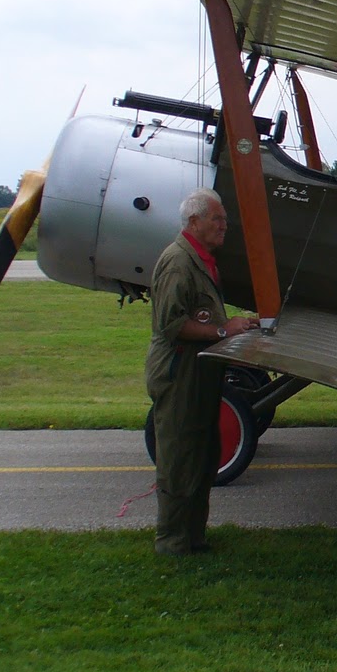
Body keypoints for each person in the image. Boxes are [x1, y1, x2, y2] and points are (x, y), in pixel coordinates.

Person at [145, 187, 258, 555]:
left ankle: (194, 537)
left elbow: (204, 315)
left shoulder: (201, 259)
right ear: (194, 222)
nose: (225, 225)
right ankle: (172, 542)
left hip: (200, 371)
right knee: (180, 457)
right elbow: (171, 324)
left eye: (224, 218)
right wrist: (224, 331)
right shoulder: (178, 262)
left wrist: (238, 327)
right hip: (180, 372)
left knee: (204, 454)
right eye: (217, 219)